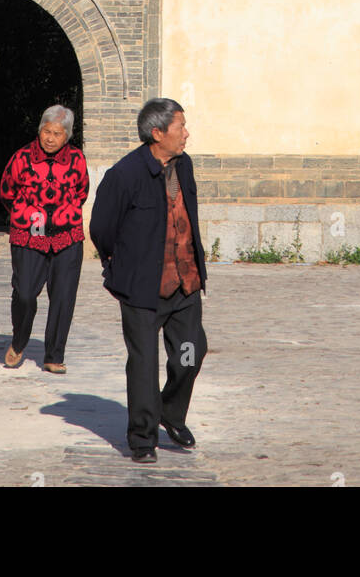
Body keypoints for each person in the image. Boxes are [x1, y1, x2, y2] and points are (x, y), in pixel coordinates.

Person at [90, 98, 207, 462]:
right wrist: (119, 268)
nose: (186, 133)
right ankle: (142, 439)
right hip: (142, 289)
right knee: (143, 365)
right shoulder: (124, 175)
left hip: (185, 284)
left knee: (189, 354)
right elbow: (101, 228)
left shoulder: (183, 165)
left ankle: (170, 414)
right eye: (180, 128)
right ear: (157, 133)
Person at [0, 105, 89, 373]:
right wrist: (26, 216)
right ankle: (18, 341)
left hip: (68, 235)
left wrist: (63, 216)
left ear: (67, 136)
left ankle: (54, 355)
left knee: (63, 297)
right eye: (46, 131)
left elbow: (82, 191)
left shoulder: (77, 159)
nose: (50, 138)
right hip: (29, 235)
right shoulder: (21, 158)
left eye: (57, 133)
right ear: (39, 130)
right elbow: (7, 191)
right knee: (25, 293)